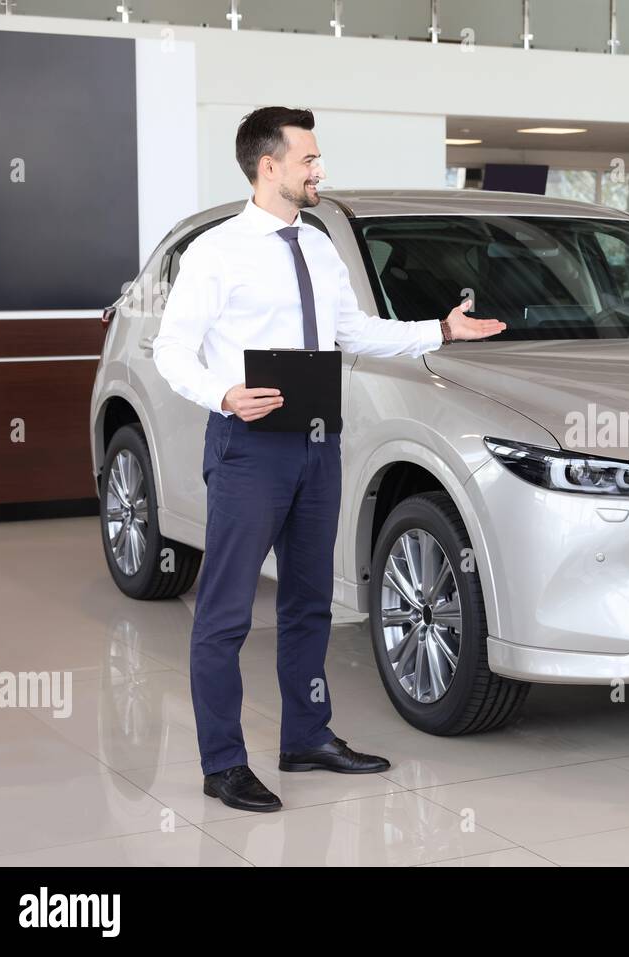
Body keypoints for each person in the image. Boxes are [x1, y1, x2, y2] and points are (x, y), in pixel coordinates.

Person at [153, 106, 505, 813]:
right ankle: (222, 762)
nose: (320, 170)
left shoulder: (317, 245)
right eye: (308, 159)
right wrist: (223, 394)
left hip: (318, 442)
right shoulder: (217, 252)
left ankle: (306, 736)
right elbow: (169, 350)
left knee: (311, 600)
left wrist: (438, 328)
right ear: (269, 166)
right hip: (249, 447)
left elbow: (352, 332)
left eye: (317, 158)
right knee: (223, 612)